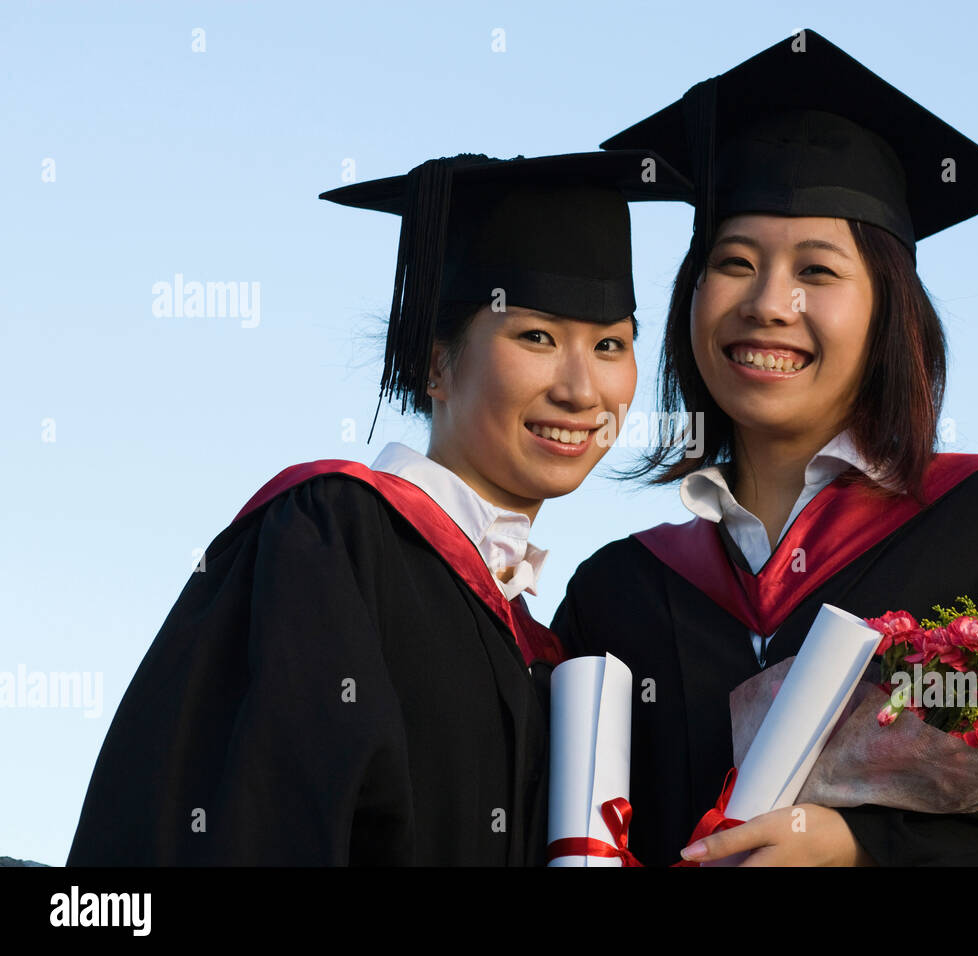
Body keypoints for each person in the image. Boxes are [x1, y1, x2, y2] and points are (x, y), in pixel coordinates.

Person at [551, 31, 978, 866]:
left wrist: (867, 847)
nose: (768, 304)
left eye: (817, 273)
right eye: (734, 262)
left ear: (887, 313)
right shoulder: (620, 593)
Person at [66, 150, 690, 866]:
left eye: (610, 345)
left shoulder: (542, 650)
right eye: (537, 337)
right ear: (434, 363)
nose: (582, 390)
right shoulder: (330, 538)